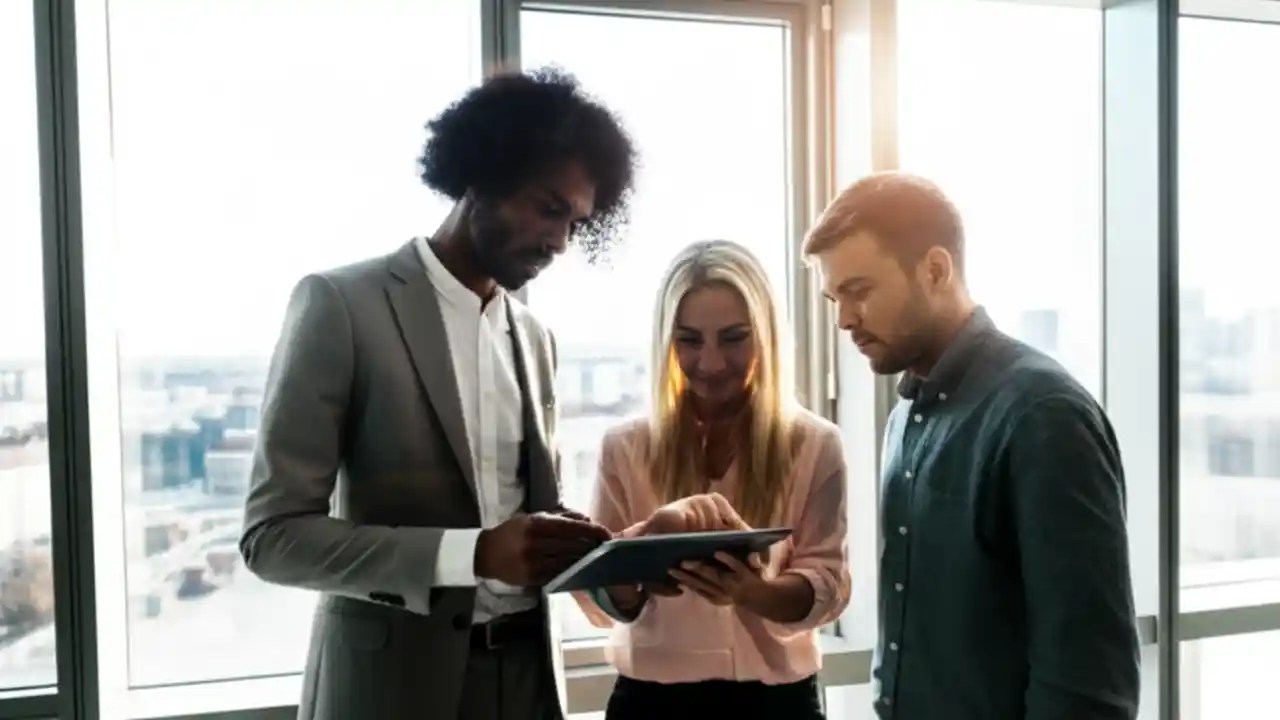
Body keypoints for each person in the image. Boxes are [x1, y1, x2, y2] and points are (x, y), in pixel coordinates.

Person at [238, 68, 636, 720]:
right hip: (391, 690)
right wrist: (475, 553)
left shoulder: (535, 339)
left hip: (527, 685)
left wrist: (614, 569)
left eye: (577, 223)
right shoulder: (340, 305)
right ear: (482, 175)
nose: (561, 241)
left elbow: (526, 523)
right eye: (549, 208)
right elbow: (274, 539)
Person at [804, 171, 1141, 719]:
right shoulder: (906, 416)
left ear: (936, 270)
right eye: (833, 297)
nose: (843, 319)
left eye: (859, 291)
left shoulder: (1043, 415)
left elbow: (1088, 681)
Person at [576, 240, 851, 720]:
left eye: (733, 337)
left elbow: (827, 587)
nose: (711, 363)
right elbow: (598, 605)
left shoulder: (815, 444)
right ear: (666, 340)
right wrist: (644, 543)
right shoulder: (624, 446)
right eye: (689, 340)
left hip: (777, 705)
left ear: (765, 335)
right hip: (652, 703)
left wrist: (753, 592)